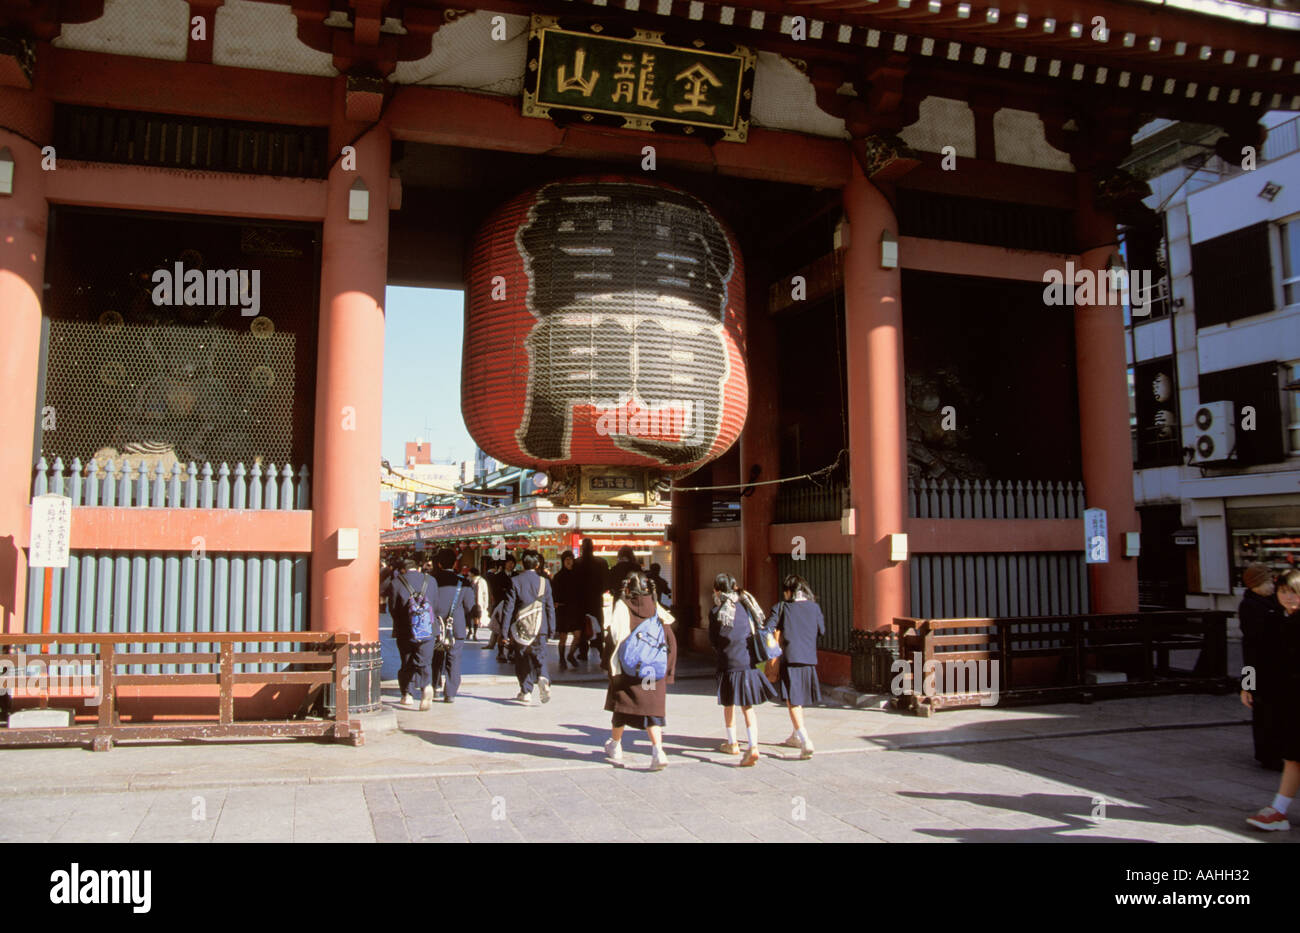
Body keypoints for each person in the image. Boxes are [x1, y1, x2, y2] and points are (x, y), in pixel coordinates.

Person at [603, 570, 677, 771]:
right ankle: (658, 751)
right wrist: (669, 670)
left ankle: (616, 746)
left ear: (627, 587)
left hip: (630, 670)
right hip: (651, 671)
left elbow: (615, 636)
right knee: (651, 711)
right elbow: (670, 640)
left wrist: (608, 666)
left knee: (622, 707)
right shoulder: (655, 607)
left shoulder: (622, 606)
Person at [1245, 569, 1300, 831]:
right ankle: (1278, 809)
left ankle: (1279, 809)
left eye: (1294, 592)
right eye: (1283, 591)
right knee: (1292, 756)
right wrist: (1247, 685)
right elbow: (1253, 652)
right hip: (1285, 699)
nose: (1288, 597)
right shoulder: (1271, 619)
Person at [709, 572, 775, 767]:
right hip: (748, 661)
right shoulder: (747, 605)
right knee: (748, 706)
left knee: (728, 702)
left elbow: (713, 640)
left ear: (718, 590)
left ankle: (732, 743)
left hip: (728, 662)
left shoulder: (716, 611)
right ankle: (753, 745)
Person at [769, 574, 825, 759]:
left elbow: (767, 629)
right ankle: (795, 735)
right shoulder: (814, 607)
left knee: (793, 701)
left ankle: (804, 739)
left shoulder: (782, 607)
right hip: (809, 658)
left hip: (790, 658)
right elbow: (821, 630)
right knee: (799, 699)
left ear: (788, 591)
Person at [1239, 562, 1285, 770]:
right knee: (1264, 712)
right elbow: (1250, 646)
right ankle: (1267, 754)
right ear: (1255, 584)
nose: (1272, 586)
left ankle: (1280, 751)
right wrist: (1247, 683)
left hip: (1281, 668)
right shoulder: (1250, 606)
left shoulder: (1276, 601)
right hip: (1261, 667)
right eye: (1268, 582)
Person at [379, 559, 440, 709]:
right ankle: (426, 686)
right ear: (418, 568)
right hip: (427, 628)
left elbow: (392, 609)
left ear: (402, 570)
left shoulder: (396, 582)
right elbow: (436, 605)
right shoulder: (431, 580)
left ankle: (407, 694)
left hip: (406, 630)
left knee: (406, 660)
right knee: (425, 660)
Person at [502, 550, 557, 704]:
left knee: (522, 658)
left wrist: (504, 632)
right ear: (537, 564)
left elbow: (508, 608)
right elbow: (550, 607)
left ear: (522, 564)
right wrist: (552, 628)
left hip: (522, 627)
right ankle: (543, 677)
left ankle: (526, 691)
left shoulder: (515, 581)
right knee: (540, 655)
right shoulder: (544, 582)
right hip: (541, 626)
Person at [427, 548, 477, 704]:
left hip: (435, 625)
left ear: (439, 564)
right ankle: (450, 693)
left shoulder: (431, 580)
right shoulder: (463, 581)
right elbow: (470, 607)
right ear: (455, 563)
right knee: (454, 659)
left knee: (436, 658)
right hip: (456, 627)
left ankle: (434, 687)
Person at [574, 538, 608, 663]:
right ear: (593, 547)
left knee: (583, 626)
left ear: (582, 547)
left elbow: (574, 585)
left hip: (581, 602)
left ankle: (583, 652)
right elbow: (606, 584)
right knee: (598, 626)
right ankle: (600, 650)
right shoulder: (601, 563)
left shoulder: (577, 563)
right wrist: (598, 592)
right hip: (596, 601)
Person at [552, 550, 584, 670]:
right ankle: (561, 658)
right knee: (563, 637)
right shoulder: (558, 577)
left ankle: (570, 655)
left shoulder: (578, 575)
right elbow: (554, 593)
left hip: (576, 609)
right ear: (563, 561)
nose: (569, 561)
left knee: (578, 635)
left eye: (571, 559)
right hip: (563, 610)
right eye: (566, 559)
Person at [467, 565, 490, 643]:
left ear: (473, 573)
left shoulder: (482, 581)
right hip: (470, 601)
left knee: (476, 618)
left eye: (469, 572)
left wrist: (485, 605)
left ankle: (475, 633)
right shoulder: (469, 580)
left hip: (478, 603)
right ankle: (470, 630)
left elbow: (485, 593)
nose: (468, 574)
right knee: (469, 617)